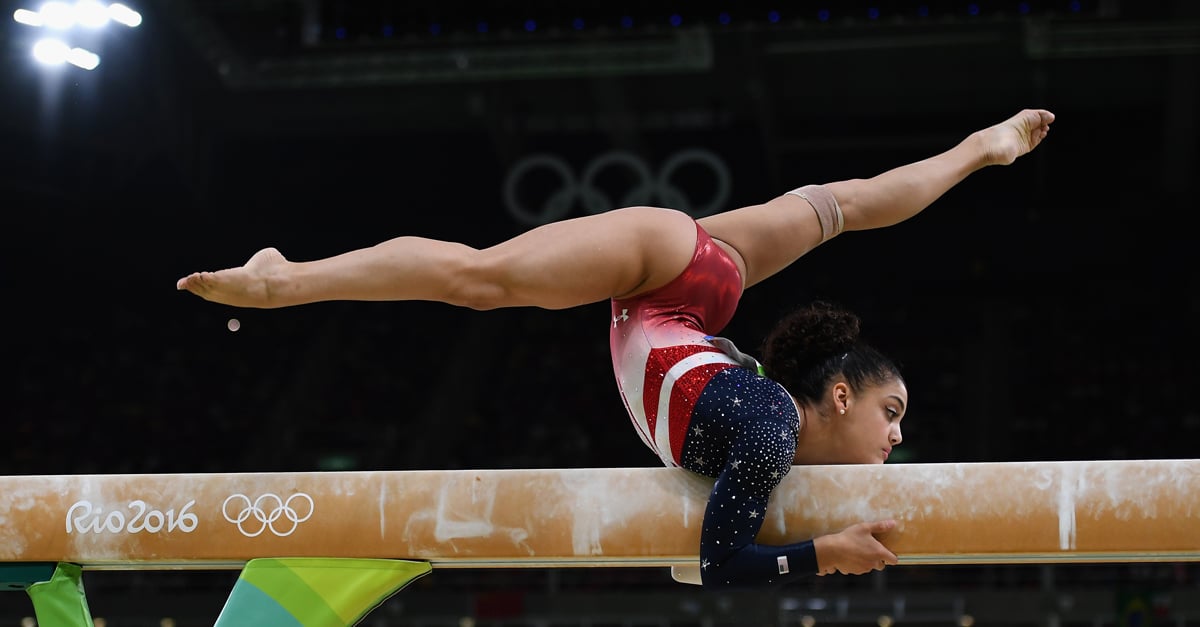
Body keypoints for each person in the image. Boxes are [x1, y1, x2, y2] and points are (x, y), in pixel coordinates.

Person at [177, 108, 1055, 588]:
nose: (898, 436)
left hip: (700, 288)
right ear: (837, 396)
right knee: (480, 280)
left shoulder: (761, 425)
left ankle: (980, 147)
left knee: (844, 207)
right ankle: (282, 279)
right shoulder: (765, 432)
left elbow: (701, 548)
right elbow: (721, 563)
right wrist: (827, 552)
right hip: (663, 268)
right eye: (891, 411)